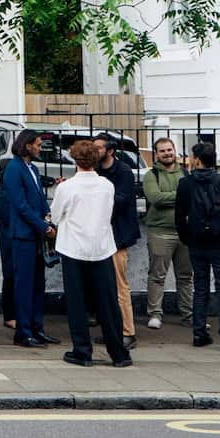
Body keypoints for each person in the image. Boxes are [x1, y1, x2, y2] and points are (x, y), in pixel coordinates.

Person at [52, 139, 130, 367]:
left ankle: (82, 350)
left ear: (75, 159)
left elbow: (56, 215)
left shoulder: (66, 188)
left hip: (74, 248)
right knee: (108, 303)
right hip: (102, 247)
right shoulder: (107, 185)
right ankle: (118, 353)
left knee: (77, 302)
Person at [176, 139, 220, 352]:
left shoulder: (185, 184)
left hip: (196, 242)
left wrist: (187, 237)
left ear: (197, 160)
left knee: (200, 288)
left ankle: (199, 333)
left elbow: (179, 216)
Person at [0, 129, 54, 348]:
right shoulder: (14, 169)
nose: (40, 149)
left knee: (38, 282)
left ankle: (37, 327)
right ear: (28, 145)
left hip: (36, 233)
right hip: (23, 234)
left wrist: (48, 216)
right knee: (24, 283)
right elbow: (20, 204)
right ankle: (23, 331)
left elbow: (39, 198)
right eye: (38, 145)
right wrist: (42, 226)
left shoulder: (33, 169)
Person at [139, 137, 192, 331]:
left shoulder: (186, 173)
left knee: (186, 276)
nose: (167, 153)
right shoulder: (151, 175)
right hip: (160, 232)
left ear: (175, 150)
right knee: (157, 276)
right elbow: (156, 198)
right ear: (156, 154)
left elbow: (192, 197)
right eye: (162, 151)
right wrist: (181, 195)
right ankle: (155, 314)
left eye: (169, 150)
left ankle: (188, 314)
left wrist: (172, 196)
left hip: (184, 232)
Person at [96, 135, 140, 347]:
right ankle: (111, 329)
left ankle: (127, 332)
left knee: (120, 285)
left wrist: (96, 198)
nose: (94, 151)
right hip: (101, 236)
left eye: (98, 148)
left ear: (110, 151)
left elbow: (122, 201)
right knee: (105, 287)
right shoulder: (95, 171)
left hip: (118, 236)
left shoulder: (123, 172)